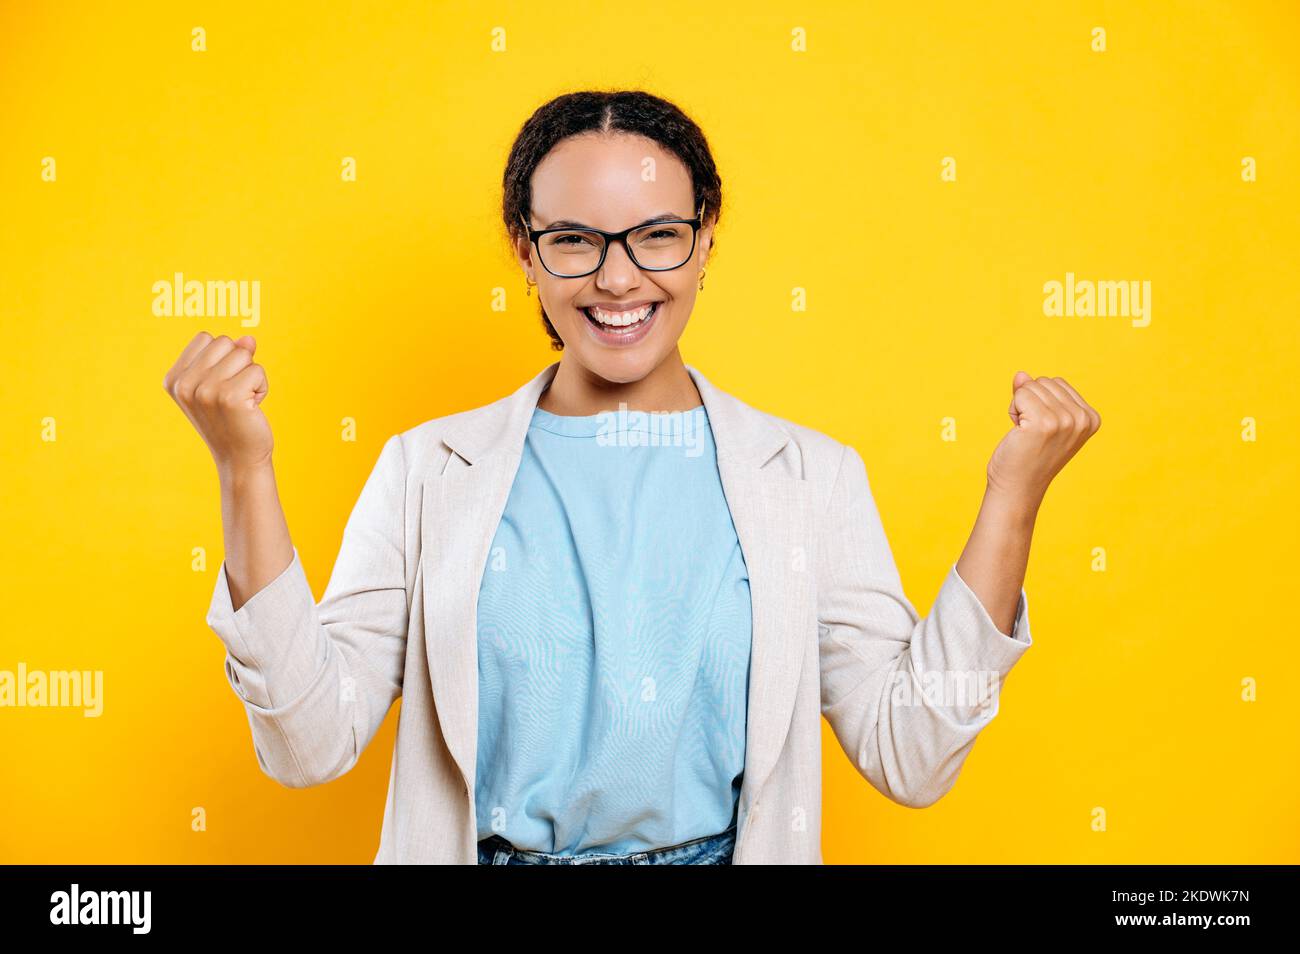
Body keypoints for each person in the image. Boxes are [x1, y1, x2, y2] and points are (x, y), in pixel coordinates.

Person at [162, 89, 1101, 865]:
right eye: (574, 240)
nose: (617, 280)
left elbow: (914, 754)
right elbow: (307, 744)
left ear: (705, 240)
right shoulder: (425, 470)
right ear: (526, 251)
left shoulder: (810, 477)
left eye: (656, 235)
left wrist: (1013, 498)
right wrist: (245, 472)